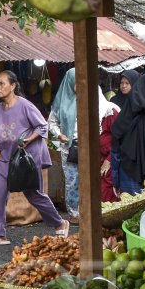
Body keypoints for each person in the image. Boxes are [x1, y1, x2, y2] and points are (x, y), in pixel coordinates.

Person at [0, 71, 68, 244]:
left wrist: (27, 140)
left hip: (26, 160)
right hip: (6, 158)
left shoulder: (25, 105)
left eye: (2, 84)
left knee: (34, 195)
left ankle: (59, 223)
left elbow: (42, 126)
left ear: (12, 86)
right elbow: (0, 134)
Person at [48, 68, 80, 216]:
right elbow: (51, 123)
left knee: (88, 178)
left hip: (87, 146)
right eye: (76, 81)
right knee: (72, 180)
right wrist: (59, 134)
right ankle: (74, 212)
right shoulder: (61, 102)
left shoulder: (89, 98)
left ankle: (87, 209)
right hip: (69, 147)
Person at [93, 85, 121, 204]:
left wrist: (108, 161)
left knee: (107, 194)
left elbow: (119, 138)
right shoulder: (88, 112)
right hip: (97, 160)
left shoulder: (110, 111)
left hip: (111, 160)